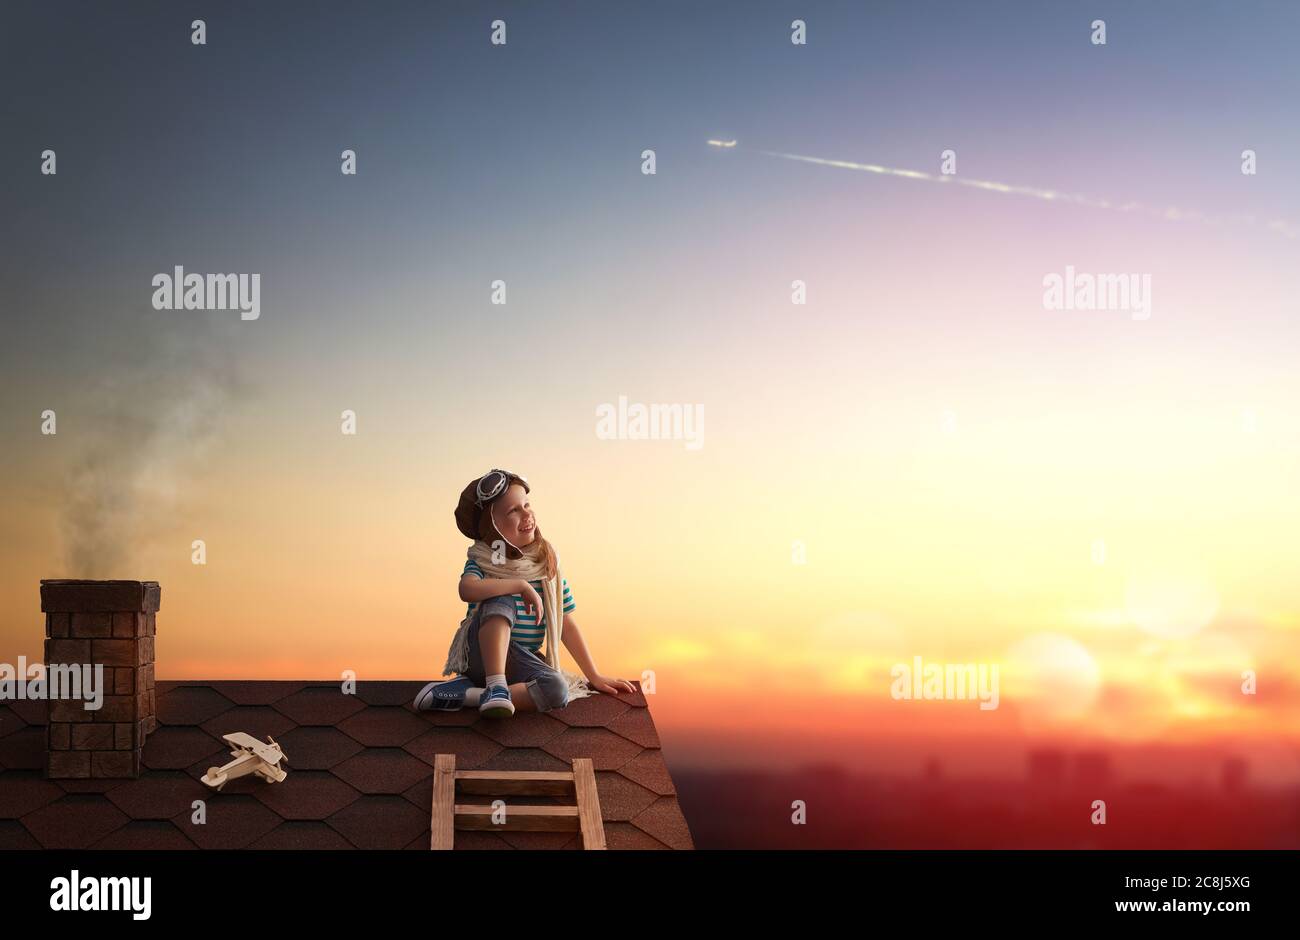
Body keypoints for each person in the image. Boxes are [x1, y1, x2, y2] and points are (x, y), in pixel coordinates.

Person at [413, 469, 636, 718]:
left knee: (556, 689)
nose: (527, 514)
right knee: (501, 598)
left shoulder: (545, 566)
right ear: (493, 527)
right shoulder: (486, 561)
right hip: (479, 657)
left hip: (520, 662)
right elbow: (467, 589)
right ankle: (495, 684)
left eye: (527, 505)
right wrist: (519, 584)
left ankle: (471, 695)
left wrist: (593, 675)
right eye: (513, 511)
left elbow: (566, 625)